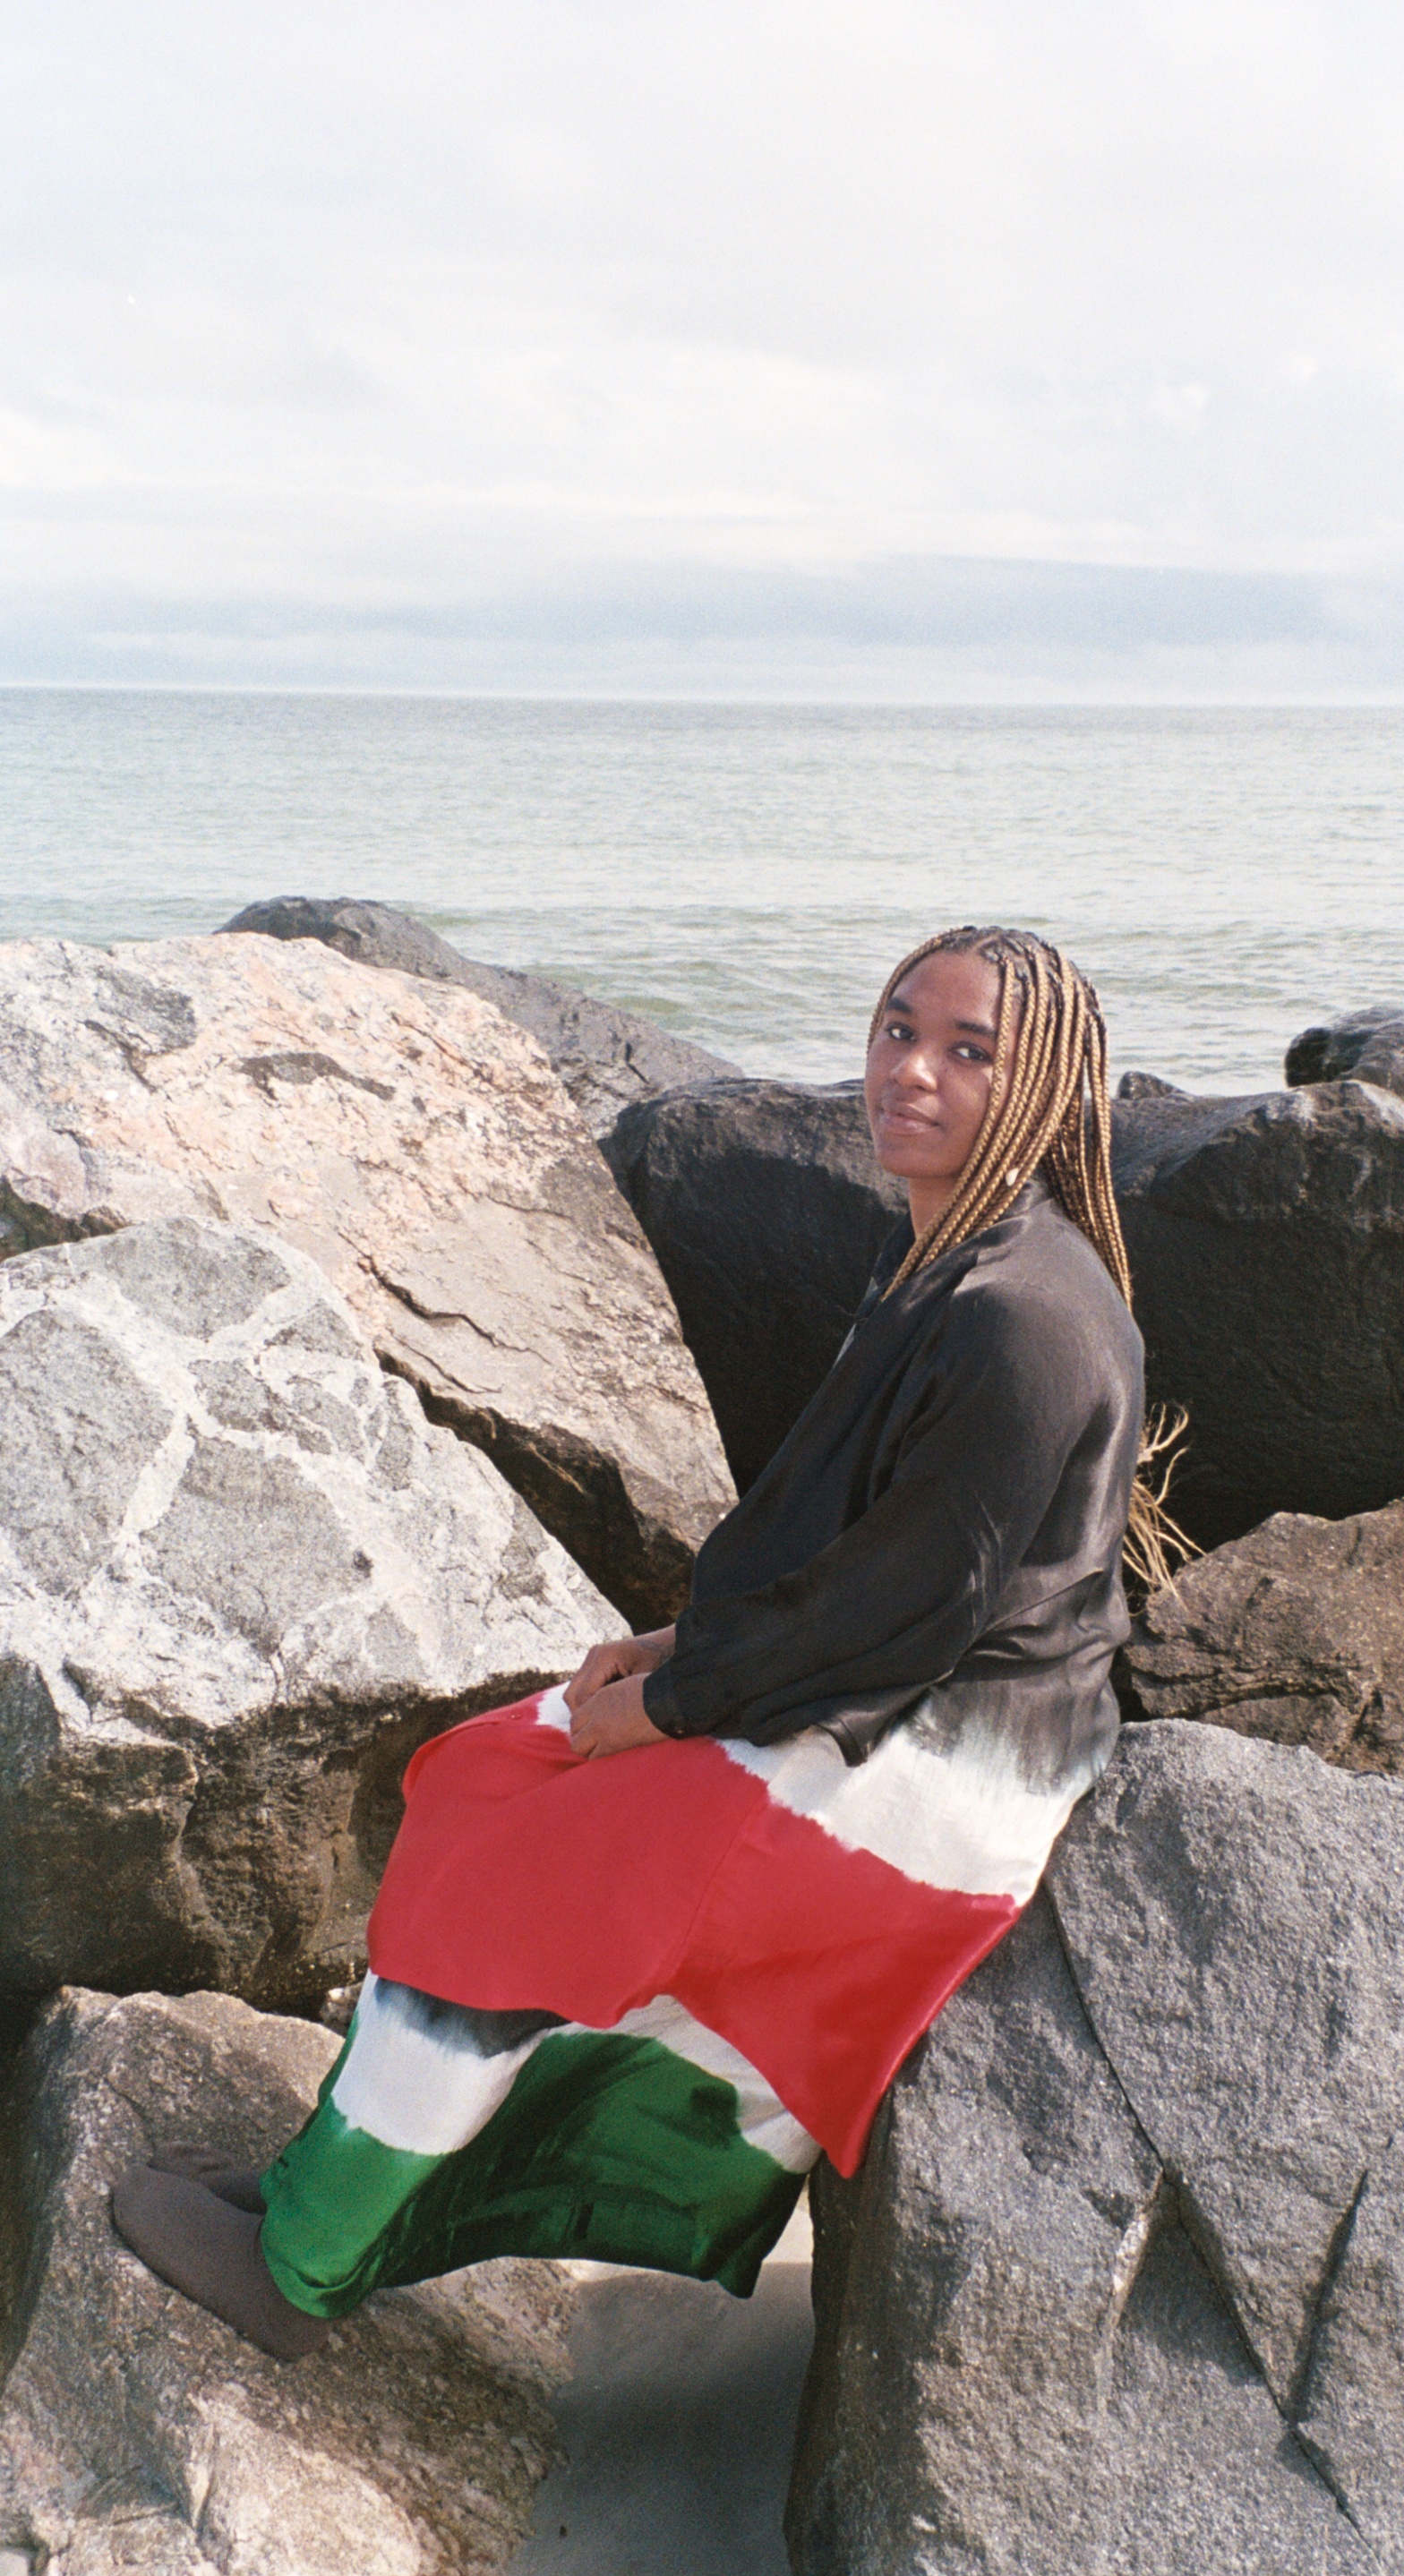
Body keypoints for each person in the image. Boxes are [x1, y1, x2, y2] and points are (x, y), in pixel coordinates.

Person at [112, 926, 1180, 2359]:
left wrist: (673, 1704)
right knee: (480, 1770)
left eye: (968, 1050)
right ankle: (340, 2168)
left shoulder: (1023, 1319)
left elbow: (907, 1613)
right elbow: (868, 1555)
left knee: (520, 1862)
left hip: (938, 1766)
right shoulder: (950, 1254)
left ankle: (304, 2267)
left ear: (1044, 1087)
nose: (909, 1069)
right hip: (882, 1691)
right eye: (894, 1025)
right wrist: (677, 1641)